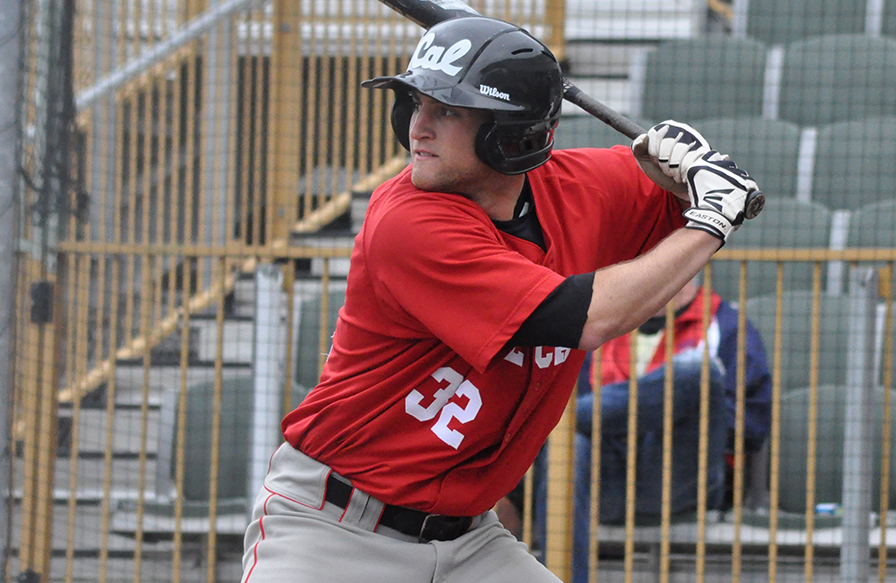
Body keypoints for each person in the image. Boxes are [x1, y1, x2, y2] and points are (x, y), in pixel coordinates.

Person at [240, 15, 760, 583]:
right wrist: (710, 221)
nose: (418, 127)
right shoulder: (408, 221)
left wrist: (695, 168)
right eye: (416, 104)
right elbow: (585, 318)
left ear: (510, 134)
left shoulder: (579, 188)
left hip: (470, 541)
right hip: (336, 531)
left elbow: (691, 192)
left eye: (447, 111)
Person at [533, 274, 772, 583]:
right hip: (604, 481)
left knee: (698, 372)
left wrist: (673, 410)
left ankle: (552, 421)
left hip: (679, 477)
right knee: (569, 448)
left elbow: (749, 426)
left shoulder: (725, 326)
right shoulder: (601, 327)